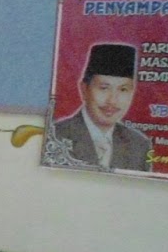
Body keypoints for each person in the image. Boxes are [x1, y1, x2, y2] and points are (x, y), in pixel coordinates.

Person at [49, 41, 153, 171]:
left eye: (123, 90)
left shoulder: (139, 145)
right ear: (84, 89)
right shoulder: (55, 135)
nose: (112, 101)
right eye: (104, 88)